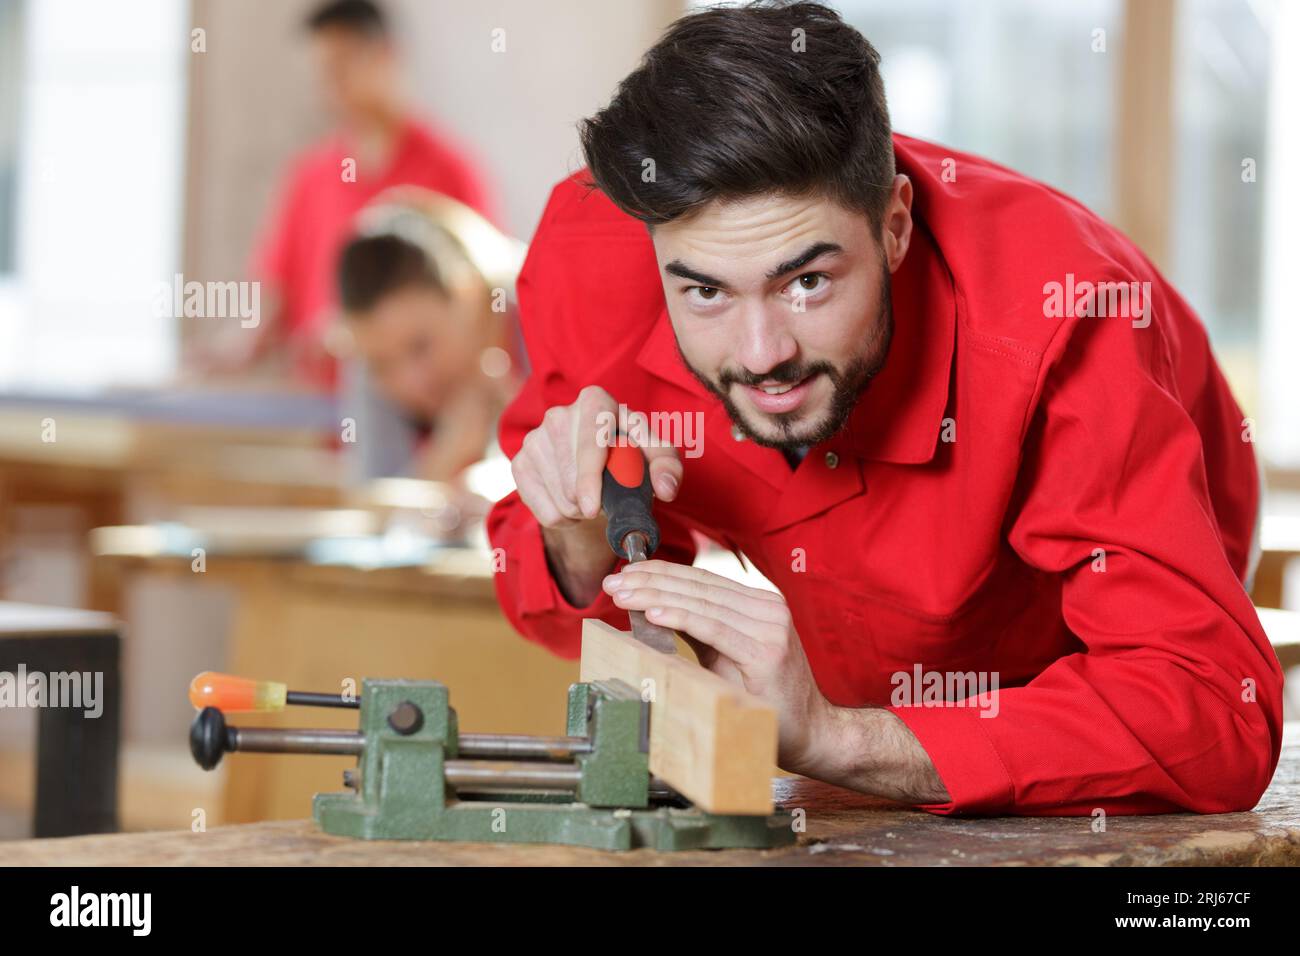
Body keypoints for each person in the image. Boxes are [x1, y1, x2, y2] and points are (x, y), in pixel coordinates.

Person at [486, 1, 1281, 816]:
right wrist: (576, 535)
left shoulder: (1068, 321)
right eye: (705, 291)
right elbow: (546, 592)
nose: (762, 355)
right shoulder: (599, 250)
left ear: (895, 226)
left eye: (807, 282)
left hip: (1064, 697)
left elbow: (1212, 718)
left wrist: (837, 740)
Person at [232, 0, 496, 389]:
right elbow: (274, 291)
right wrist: (238, 347)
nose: (329, 86)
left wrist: (367, 337)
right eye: (321, 72)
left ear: (387, 56)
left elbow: (484, 301)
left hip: (420, 408)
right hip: (324, 413)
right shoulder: (308, 176)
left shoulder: (451, 169)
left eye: (341, 66)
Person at [335, 188, 525, 484]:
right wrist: (443, 459)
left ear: (469, 296)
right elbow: (375, 497)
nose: (411, 382)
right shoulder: (370, 354)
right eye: (382, 365)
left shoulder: (539, 310)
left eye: (420, 347)